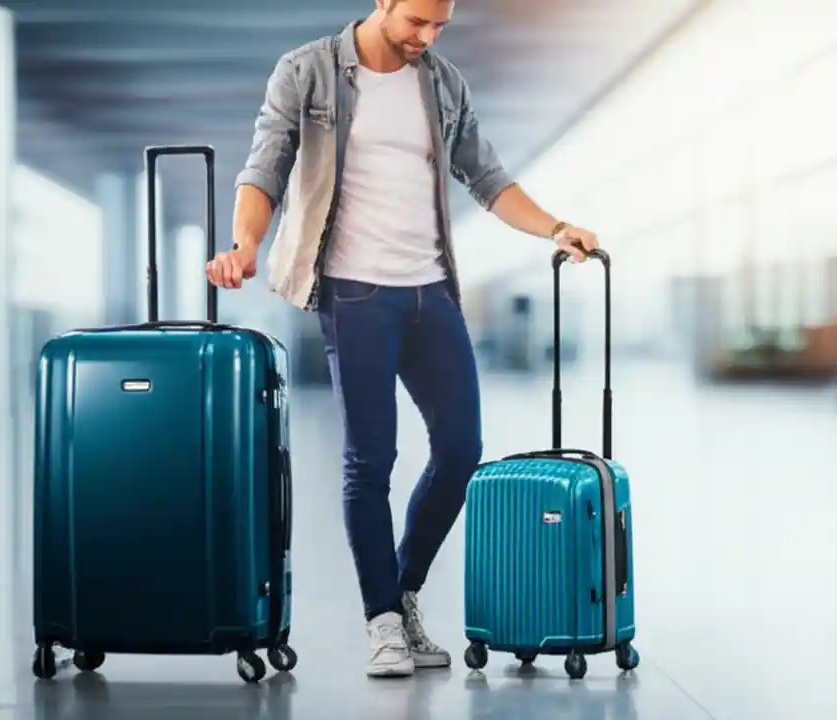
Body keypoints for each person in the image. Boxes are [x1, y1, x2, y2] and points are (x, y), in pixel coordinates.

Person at [205, 0, 600, 678]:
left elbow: (489, 179)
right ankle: (382, 622)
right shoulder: (307, 72)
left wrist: (556, 226)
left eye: (440, 24)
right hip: (354, 293)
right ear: (382, 2)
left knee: (460, 451)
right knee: (372, 461)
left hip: (431, 290)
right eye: (416, 20)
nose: (427, 36)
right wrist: (244, 244)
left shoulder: (442, 83)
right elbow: (264, 167)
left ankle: (402, 591)